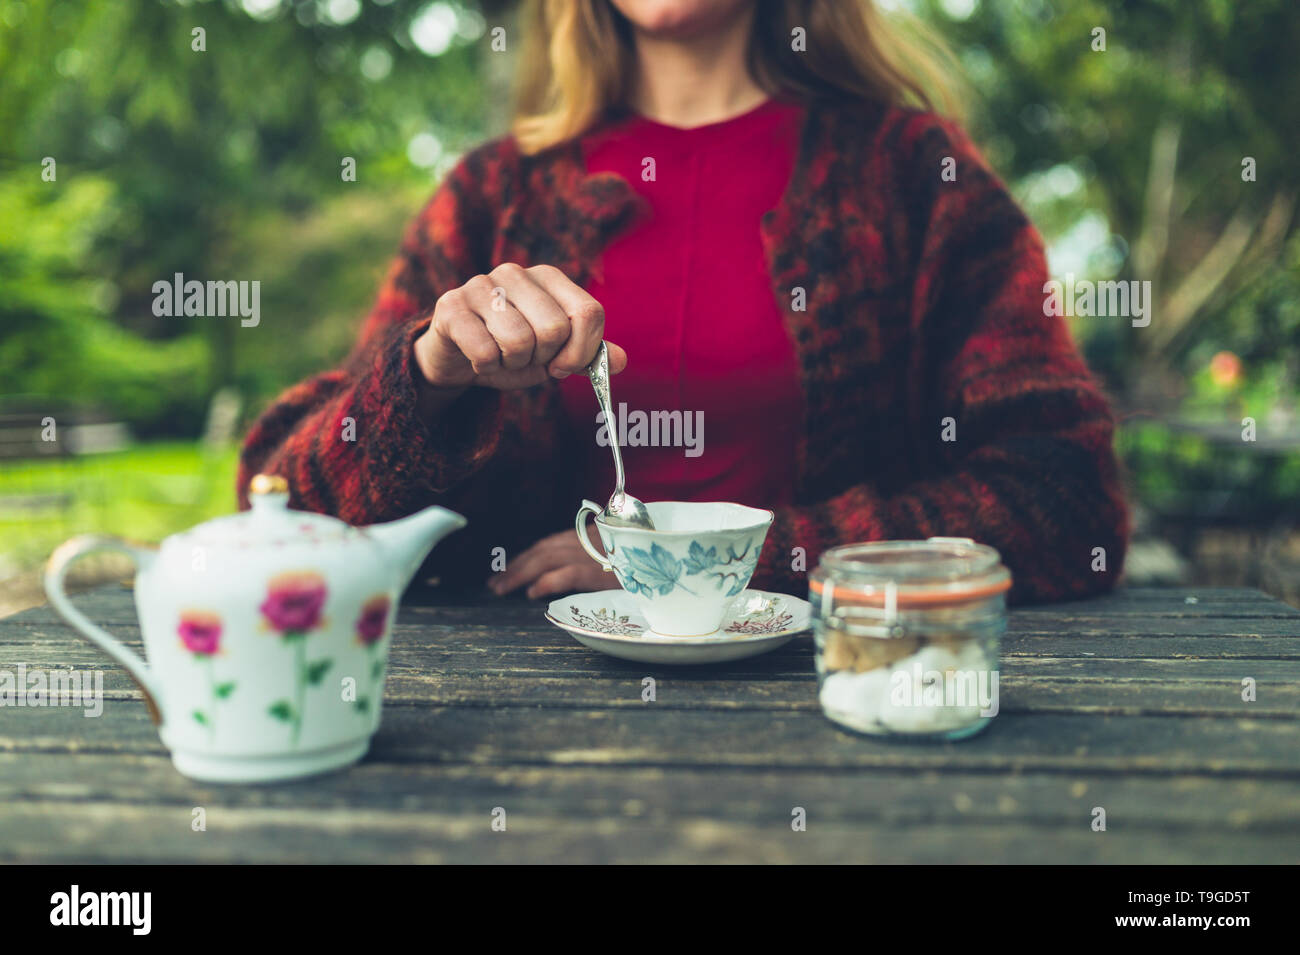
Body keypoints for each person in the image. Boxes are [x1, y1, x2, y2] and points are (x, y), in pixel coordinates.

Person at [238, 0, 1129, 603]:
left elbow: (1064, 499)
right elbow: (282, 499)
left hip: (843, 722)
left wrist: (708, 565)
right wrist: (424, 375)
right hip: (515, 736)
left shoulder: (917, 179)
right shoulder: (491, 195)